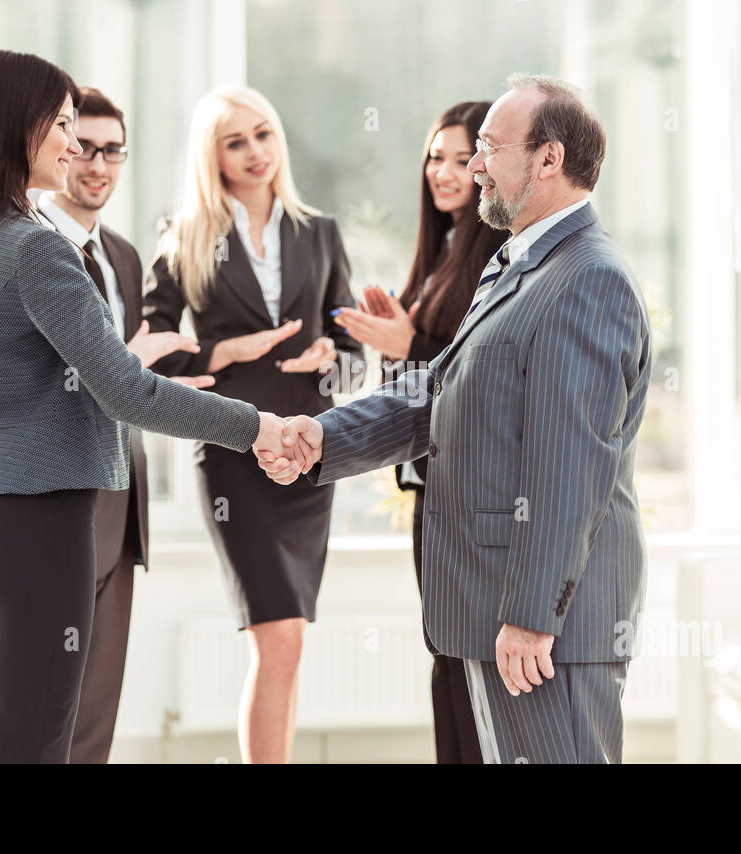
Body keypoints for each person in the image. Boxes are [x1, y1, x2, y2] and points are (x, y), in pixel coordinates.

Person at [0, 50, 295, 764]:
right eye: (61, 125)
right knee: (38, 742)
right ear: (17, 128)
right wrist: (258, 426)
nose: (73, 142)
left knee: (3, 737)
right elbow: (128, 390)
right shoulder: (39, 252)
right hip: (42, 528)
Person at [258, 74, 653, 764]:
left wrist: (531, 616)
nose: (473, 168)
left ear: (549, 159)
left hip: (544, 632)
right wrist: (324, 436)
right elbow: (437, 391)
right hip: (493, 612)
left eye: (490, 149)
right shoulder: (516, 263)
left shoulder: (588, 279)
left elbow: (569, 469)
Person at [143, 86, 363, 764]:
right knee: (278, 637)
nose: (255, 151)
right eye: (234, 142)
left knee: (289, 642)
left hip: (307, 454)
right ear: (212, 156)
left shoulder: (319, 233)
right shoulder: (183, 236)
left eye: (262, 134)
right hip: (234, 455)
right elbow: (149, 348)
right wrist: (223, 352)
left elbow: (353, 347)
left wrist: (331, 356)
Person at [33, 86, 213, 764]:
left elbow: (127, 378)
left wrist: (159, 387)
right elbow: (35, 382)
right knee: (42, 708)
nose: (98, 165)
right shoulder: (26, 248)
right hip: (52, 502)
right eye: (83, 147)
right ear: (57, 148)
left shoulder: (125, 257)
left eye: (113, 151)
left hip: (119, 506)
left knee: (95, 713)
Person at [331, 100, 506, 764]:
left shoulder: (497, 257)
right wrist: (399, 338)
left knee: (469, 665)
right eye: (436, 157)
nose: (446, 172)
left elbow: (479, 379)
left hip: (469, 493)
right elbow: (421, 384)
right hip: (432, 491)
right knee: (446, 656)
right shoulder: (443, 252)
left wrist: (410, 344)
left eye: (463, 159)